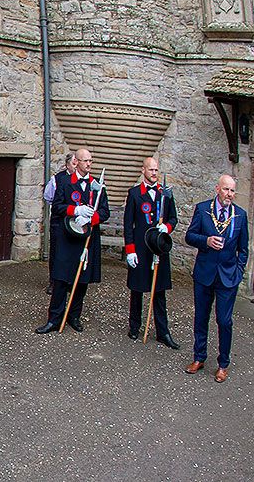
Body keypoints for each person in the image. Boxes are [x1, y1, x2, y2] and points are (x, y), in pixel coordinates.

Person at [36, 148, 110, 334]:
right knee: (61, 279)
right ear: (76, 162)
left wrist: (92, 218)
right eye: (86, 161)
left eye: (91, 161)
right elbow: (58, 206)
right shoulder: (65, 182)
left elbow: (104, 212)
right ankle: (54, 319)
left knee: (81, 281)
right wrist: (75, 211)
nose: (89, 164)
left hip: (86, 239)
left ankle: (74, 316)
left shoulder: (97, 186)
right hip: (67, 238)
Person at [184, 174, 249, 383]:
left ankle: (223, 363)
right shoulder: (203, 210)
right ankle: (199, 357)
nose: (229, 194)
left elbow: (244, 249)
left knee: (224, 320)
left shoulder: (240, 216)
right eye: (226, 189)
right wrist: (206, 241)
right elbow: (190, 236)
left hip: (228, 278)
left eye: (232, 190)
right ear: (217, 189)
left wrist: (238, 272)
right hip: (204, 273)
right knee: (201, 317)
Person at [122, 158, 179, 349]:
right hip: (140, 248)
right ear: (143, 170)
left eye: (156, 170)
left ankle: (163, 332)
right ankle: (134, 326)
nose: (154, 173)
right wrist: (130, 250)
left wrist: (167, 227)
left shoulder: (166, 193)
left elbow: (174, 218)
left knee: (159, 292)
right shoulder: (135, 194)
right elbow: (128, 224)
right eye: (151, 169)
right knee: (137, 290)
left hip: (159, 248)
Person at [44, 153, 77, 294]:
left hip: (75, 223)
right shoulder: (57, 179)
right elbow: (48, 197)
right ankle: (53, 282)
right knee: (57, 252)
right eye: (74, 163)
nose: (76, 166)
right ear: (67, 164)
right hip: (59, 221)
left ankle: (70, 281)